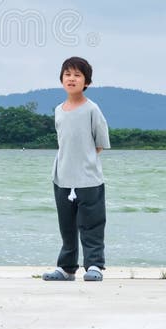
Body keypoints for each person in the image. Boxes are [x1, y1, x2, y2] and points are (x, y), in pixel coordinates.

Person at [42, 56, 110, 282]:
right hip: (62, 178)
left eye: (77, 75)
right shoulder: (59, 110)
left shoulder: (92, 109)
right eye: (67, 74)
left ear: (86, 82)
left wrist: (84, 162)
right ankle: (66, 268)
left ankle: (94, 266)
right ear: (61, 79)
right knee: (67, 226)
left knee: (91, 225)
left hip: (88, 179)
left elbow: (100, 144)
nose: (72, 79)